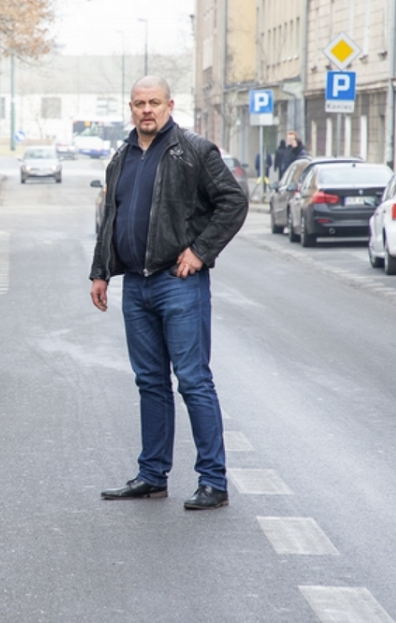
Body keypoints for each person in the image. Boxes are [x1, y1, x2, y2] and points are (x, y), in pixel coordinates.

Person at [89, 76, 248, 510]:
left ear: (169, 105)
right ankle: (152, 475)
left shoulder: (194, 151)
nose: (146, 110)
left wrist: (200, 251)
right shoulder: (120, 157)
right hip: (135, 286)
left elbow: (233, 201)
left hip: (178, 284)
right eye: (139, 103)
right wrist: (101, 271)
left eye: (154, 102)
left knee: (194, 381)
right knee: (150, 383)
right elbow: (111, 218)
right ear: (130, 107)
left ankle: (213, 481)